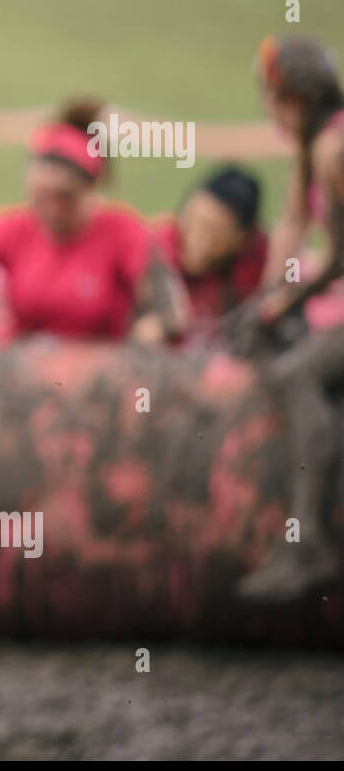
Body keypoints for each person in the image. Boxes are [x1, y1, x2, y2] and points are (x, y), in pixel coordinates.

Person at [0, 99, 186, 342]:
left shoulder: (121, 230)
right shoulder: (17, 226)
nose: (49, 209)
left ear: (89, 190)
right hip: (27, 372)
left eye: (62, 197)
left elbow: (166, 306)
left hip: (100, 375)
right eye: (40, 197)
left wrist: (153, 330)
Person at [229, 36, 344, 602]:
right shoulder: (314, 146)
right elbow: (294, 223)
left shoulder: (333, 150)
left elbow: (339, 257)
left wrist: (279, 304)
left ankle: (309, 543)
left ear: (291, 98)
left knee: (297, 372)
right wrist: (268, 295)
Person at [152, 167, 267, 346]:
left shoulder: (256, 259)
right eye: (191, 220)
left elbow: (297, 265)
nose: (197, 238)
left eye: (213, 231)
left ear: (241, 239)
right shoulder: (157, 248)